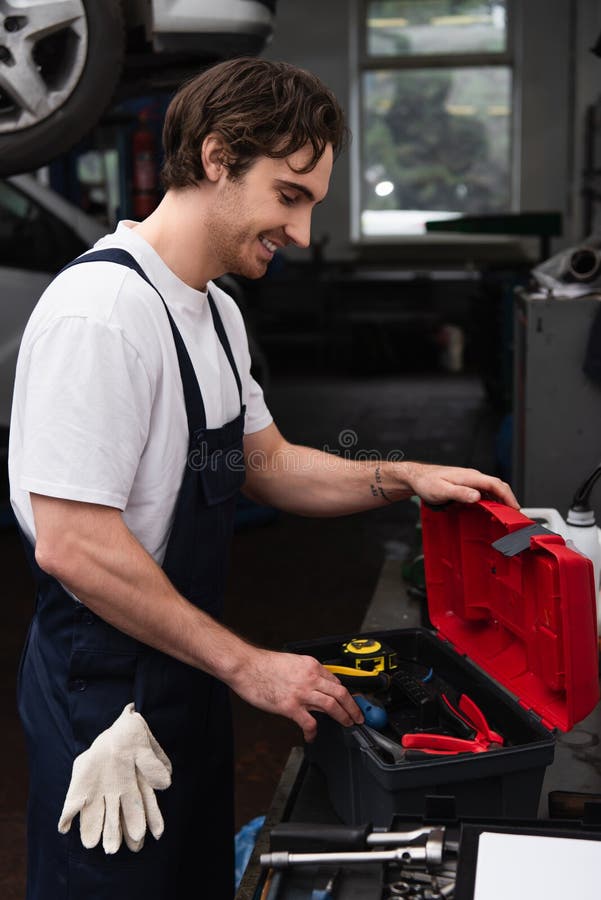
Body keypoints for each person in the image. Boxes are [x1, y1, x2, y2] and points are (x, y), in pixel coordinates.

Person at [9, 57, 518, 900]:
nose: (305, 233)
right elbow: (73, 545)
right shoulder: (101, 317)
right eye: (291, 195)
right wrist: (249, 667)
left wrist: (407, 475)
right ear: (216, 157)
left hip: (184, 670)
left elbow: (266, 463)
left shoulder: (210, 309)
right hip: (103, 696)